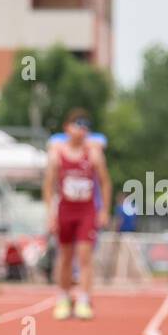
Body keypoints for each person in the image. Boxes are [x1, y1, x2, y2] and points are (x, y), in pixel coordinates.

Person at [43, 108, 110, 320]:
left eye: (84, 127)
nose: (81, 131)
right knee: (65, 257)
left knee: (84, 256)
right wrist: (50, 214)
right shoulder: (57, 153)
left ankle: (83, 299)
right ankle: (63, 297)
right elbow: (48, 185)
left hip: (86, 211)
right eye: (77, 126)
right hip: (65, 210)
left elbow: (105, 182)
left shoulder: (94, 153)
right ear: (67, 129)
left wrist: (104, 210)